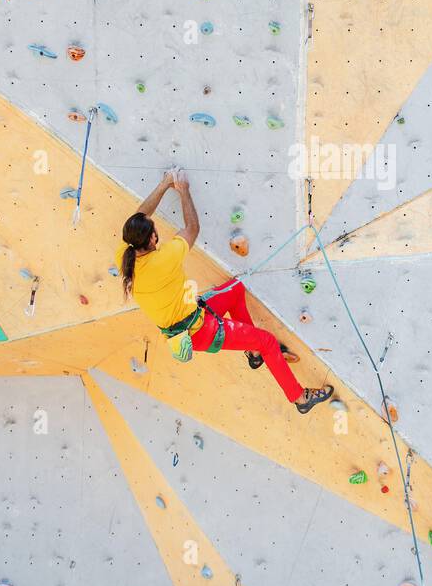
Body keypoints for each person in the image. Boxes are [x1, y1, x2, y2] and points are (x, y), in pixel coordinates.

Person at [119, 170, 335, 415]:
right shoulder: (164, 259)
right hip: (201, 331)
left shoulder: (125, 255)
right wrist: (183, 190)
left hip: (191, 318)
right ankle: (299, 397)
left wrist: (164, 184)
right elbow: (192, 228)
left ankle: (253, 353)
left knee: (235, 290)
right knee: (267, 341)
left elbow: (139, 216)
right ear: (153, 239)